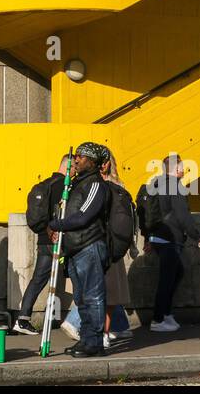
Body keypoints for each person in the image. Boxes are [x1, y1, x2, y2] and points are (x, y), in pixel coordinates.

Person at [62, 152, 135, 348]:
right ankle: (94, 330)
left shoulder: (89, 184)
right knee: (105, 293)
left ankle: (107, 330)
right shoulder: (113, 186)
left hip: (92, 243)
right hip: (108, 246)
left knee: (99, 291)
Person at [47, 143, 110, 357]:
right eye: (77, 156)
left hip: (88, 245)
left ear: (92, 162)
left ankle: (94, 343)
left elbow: (84, 216)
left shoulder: (95, 184)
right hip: (74, 248)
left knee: (93, 297)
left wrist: (58, 225)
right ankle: (86, 339)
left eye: (81, 157)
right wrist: (55, 227)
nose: (76, 160)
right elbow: (66, 212)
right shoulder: (76, 183)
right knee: (81, 298)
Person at [144, 153, 200, 334]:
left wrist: (148, 237)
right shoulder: (175, 186)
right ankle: (158, 319)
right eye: (182, 167)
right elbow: (183, 216)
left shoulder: (156, 183)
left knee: (176, 273)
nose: (184, 170)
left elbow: (148, 212)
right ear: (176, 169)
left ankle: (166, 314)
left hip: (157, 237)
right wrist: (197, 237)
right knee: (166, 279)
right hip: (170, 238)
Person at [12, 154, 71, 336]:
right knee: (78, 278)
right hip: (59, 240)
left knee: (38, 280)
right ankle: (77, 321)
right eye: (74, 166)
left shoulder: (46, 184)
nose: (76, 170)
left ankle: (23, 319)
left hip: (44, 240)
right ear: (68, 166)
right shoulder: (66, 187)